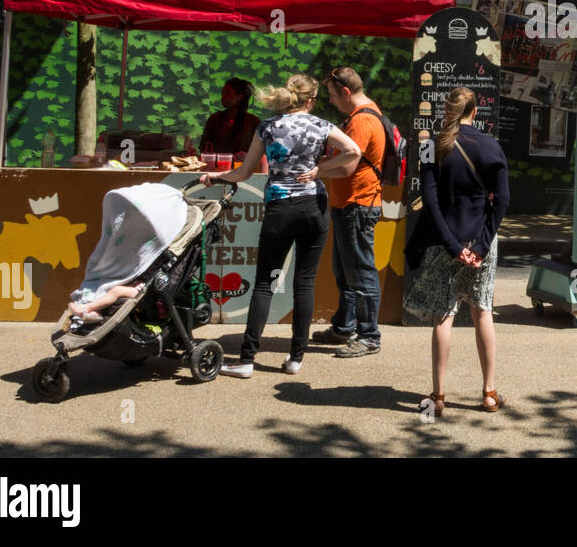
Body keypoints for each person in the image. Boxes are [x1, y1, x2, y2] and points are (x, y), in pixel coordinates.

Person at [200, 73, 360, 377]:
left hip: (280, 209)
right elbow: (353, 151)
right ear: (311, 100)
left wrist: (217, 177)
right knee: (305, 281)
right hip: (314, 207)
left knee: (264, 284)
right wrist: (319, 169)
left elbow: (245, 173)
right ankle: (296, 358)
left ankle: (247, 360)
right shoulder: (321, 125)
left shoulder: (267, 126)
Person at [403, 87, 510, 415]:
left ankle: (437, 397)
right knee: (483, 313)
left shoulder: (427, 147)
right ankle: (489, 393)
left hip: (442, 242)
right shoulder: (491, 145)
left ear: (446, 112)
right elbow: (502, 200)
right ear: (474, 112)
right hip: (480, 242)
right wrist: (479, 246)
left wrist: (451, 245)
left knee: (442, 318)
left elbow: (429, 202)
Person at [311, 67, 387, 357]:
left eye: (332, 95)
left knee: (360, 273)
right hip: (351, 205)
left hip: (358, 205)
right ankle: (345, 326)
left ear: (345, 92)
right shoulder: (366, 114)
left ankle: (369, 336)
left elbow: (347, 165)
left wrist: (316, 171)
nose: (330, 101)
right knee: (344, 272)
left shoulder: (361, 121)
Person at [199, 78, 259, 156]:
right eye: (222, 93)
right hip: (216, 167)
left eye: (227, 94)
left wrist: (246, 156)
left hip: (242, 167)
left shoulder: (253, 122)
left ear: (240, 97)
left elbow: (262, 153)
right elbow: (204, 148)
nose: (223, 97)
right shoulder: (214, 119)